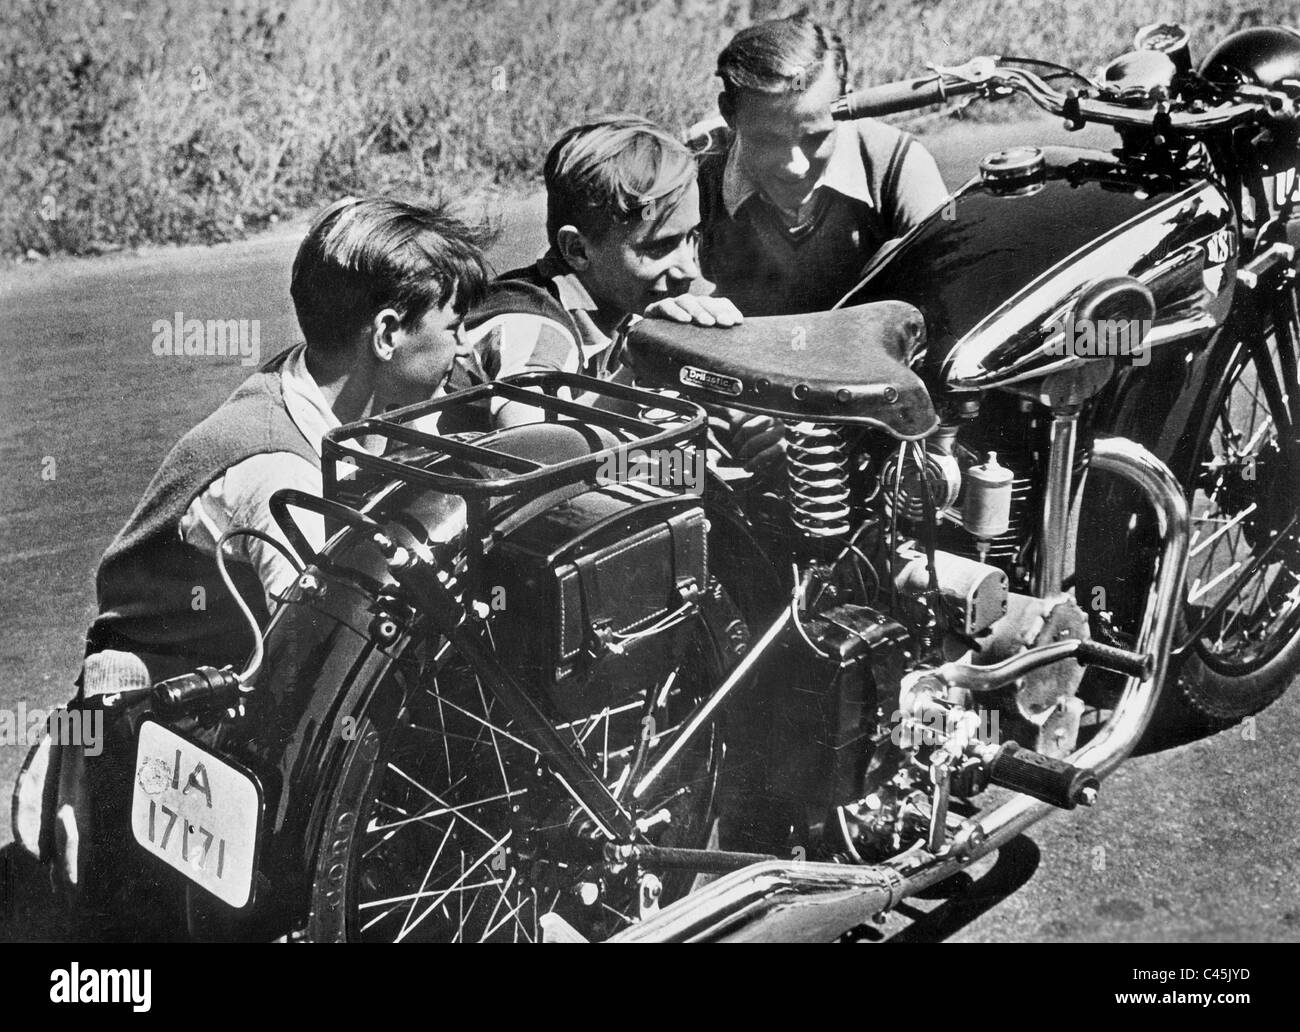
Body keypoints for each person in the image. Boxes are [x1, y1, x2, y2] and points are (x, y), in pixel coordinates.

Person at [14, 197, 492, 931]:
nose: (465, 347)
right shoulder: (277, 477)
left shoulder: (321, 383)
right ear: (387, 333)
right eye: (455, 327)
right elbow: (324, 664)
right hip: (164, 715)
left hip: (197, 668)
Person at [446, 114, 744, 431]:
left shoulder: (616, 308)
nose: (689, 269)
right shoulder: (538, 329)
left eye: (692, 237)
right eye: (659, 247)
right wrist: (638, 370)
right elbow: (537, 446)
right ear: (577, 250)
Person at [693, 12, 949, 317]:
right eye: (767, 140)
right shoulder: (697, 172)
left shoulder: (896, 164)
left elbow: (948, 290)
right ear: (728, 114)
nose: (794, 166)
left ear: (849, 106)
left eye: (815, 138)